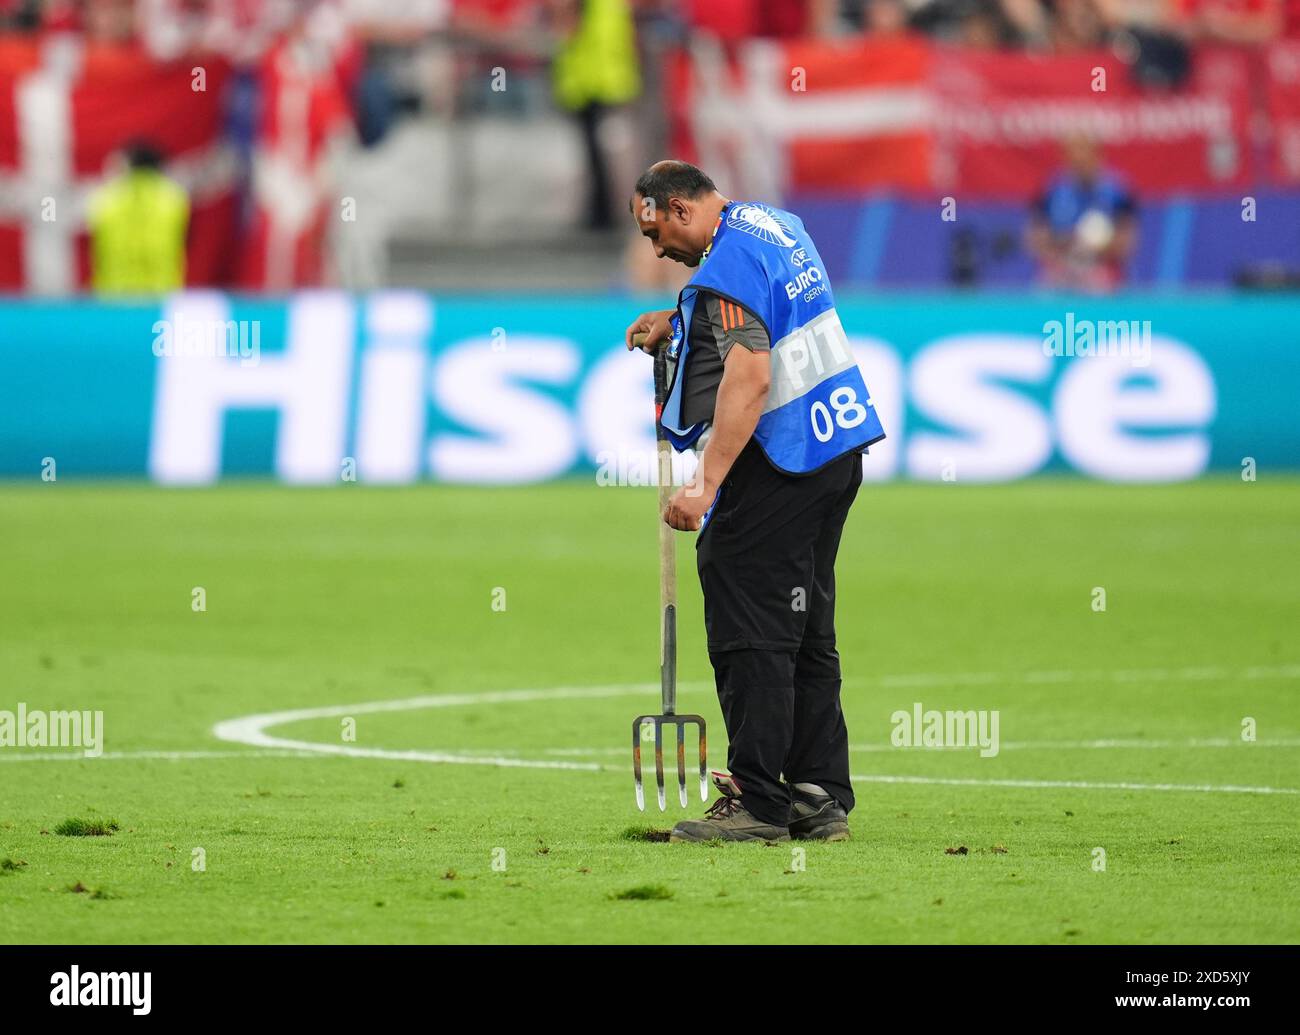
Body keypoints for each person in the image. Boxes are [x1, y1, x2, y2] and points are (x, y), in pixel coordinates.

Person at [624, 160, 885, 843]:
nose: (657, 249)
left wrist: (706, 482)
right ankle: (816, 792)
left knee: (745, 603)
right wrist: (681, 324)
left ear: (680, 208)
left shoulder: (728, 261)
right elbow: (767, 315)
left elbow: (751, 367)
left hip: (783, 452)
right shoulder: (774, 225)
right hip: (836, 446)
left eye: (657, 231)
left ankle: (759, 799)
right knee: (805, 621)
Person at [1026, 134, 1137, 292]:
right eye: (1073, 155)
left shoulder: (1118, 190)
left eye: (1084, 154)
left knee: (1102, 290)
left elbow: (1128, 241)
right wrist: (1063, 245)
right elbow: (1036, 238)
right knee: (1043, 292)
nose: (1079, 161)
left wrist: (1101, 246)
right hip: (1061, 267)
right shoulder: (1051, 189)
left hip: (1102, 267)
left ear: (1097, 155)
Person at [86, 140, 189, 295]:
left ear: (127, 164)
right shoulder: (174, 198)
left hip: (113, 297)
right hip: (161, 295)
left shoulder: (105, 198)